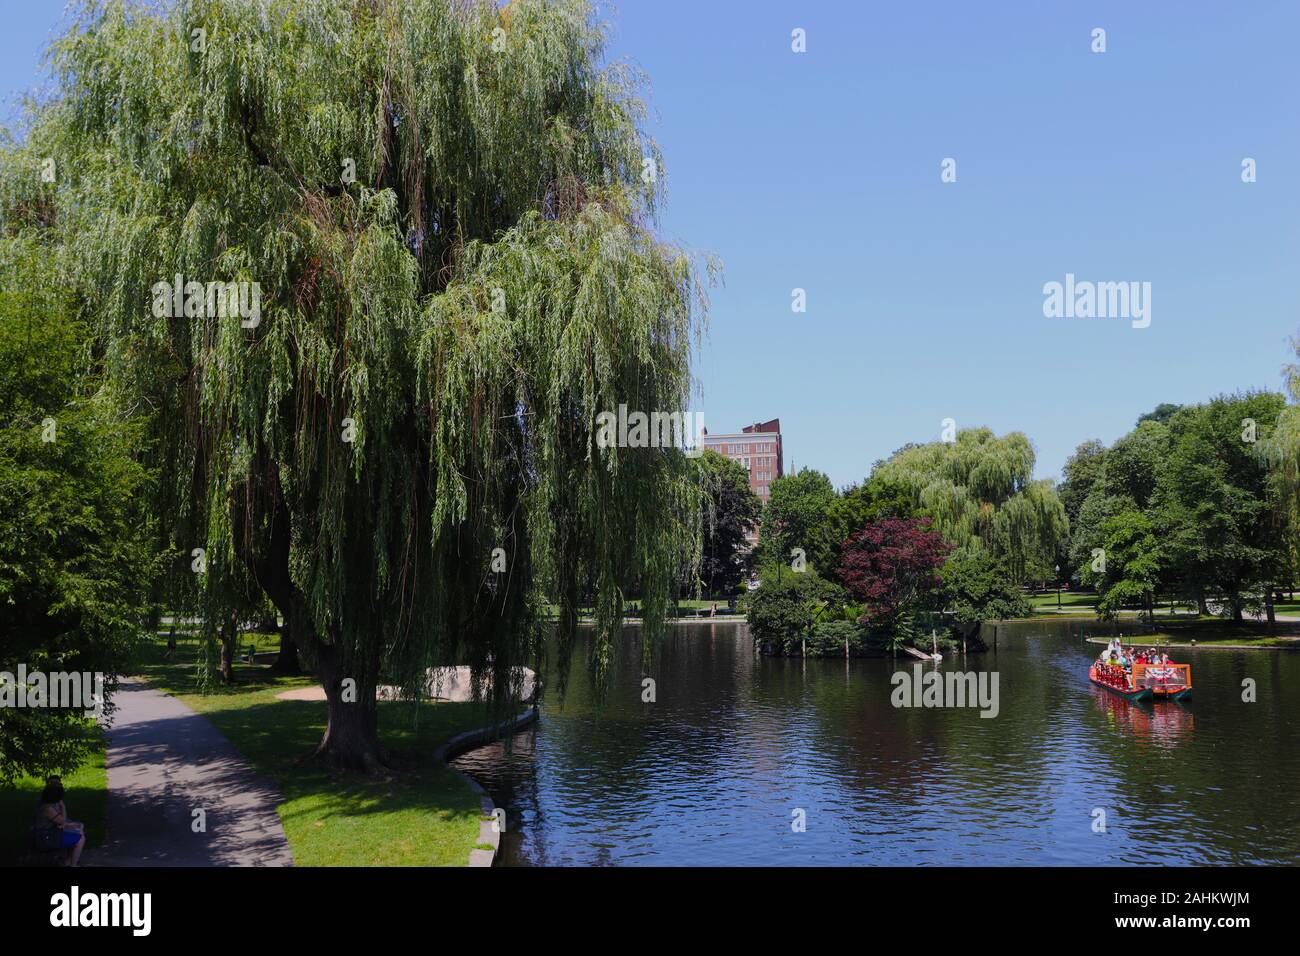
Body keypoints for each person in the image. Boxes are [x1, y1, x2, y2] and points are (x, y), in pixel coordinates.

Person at [32, 776, 85, 866]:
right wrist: (63, 806)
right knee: (80, 838)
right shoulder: (48, 808)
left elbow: (61, 822)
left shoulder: (48, 803)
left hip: (51, 832)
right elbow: (62, 820)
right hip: (45, 838)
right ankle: (73, 864)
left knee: (79, 827)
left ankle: (67, 862)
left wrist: (66, 824)